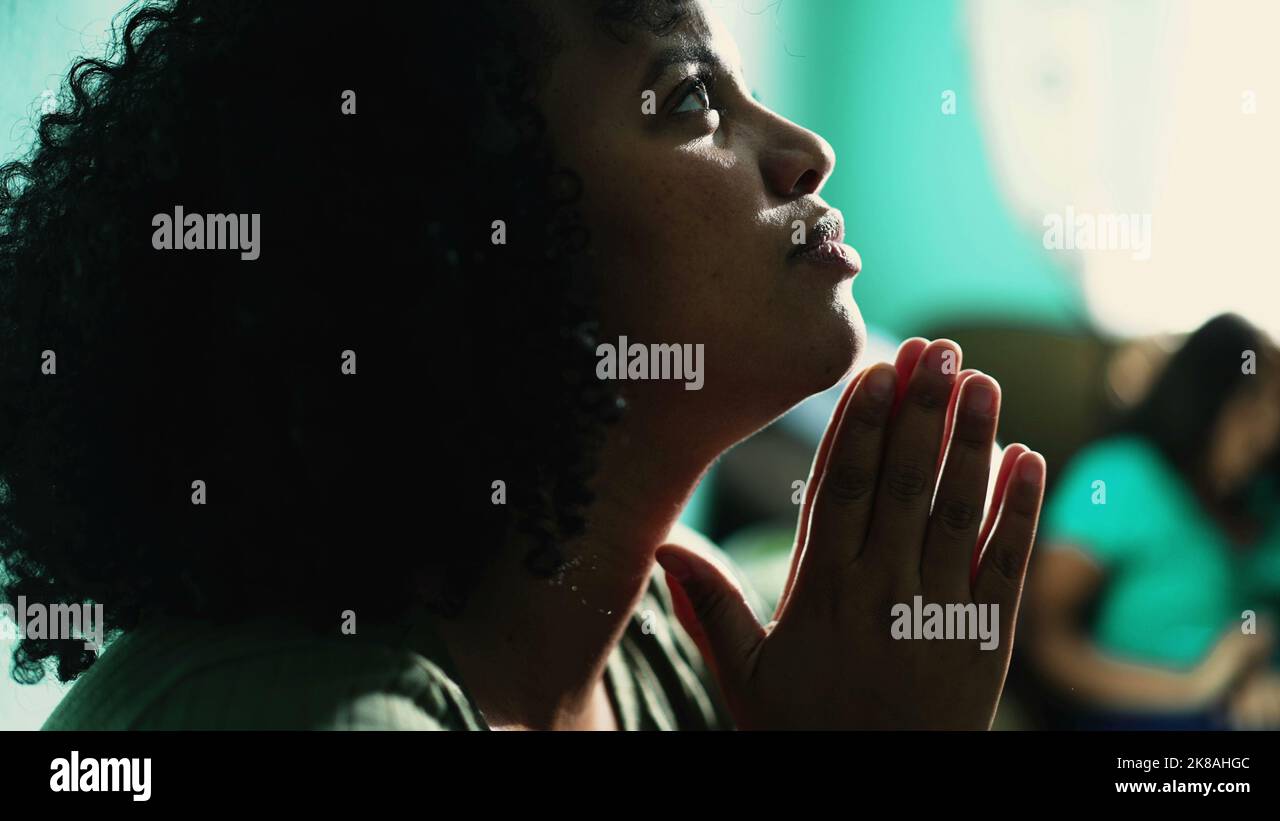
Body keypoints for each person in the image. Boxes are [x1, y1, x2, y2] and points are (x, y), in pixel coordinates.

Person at [0, 0, 1045, 730]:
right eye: (686, 98)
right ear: (453, 229)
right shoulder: (299, 713)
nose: (805, 147)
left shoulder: (647, 644)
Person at [1030, 314, 1280, 729]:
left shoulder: (1274, 506)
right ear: (1203, 394)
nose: (1270, 432)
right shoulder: (1120, 480)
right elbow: (1044, 636)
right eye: (1253, 401)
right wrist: (1193, 689)